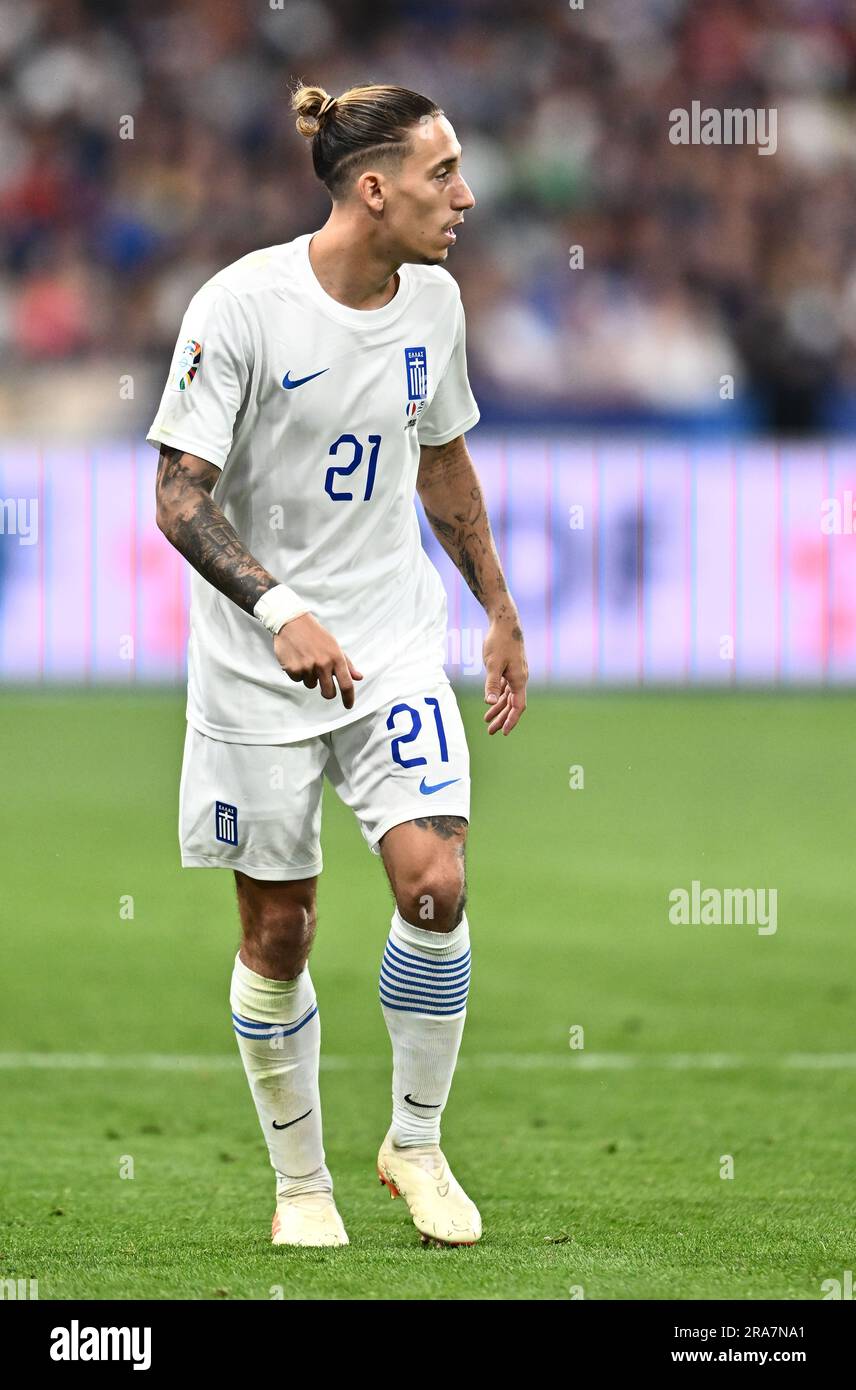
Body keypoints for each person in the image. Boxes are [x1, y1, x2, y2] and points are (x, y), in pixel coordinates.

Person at [148, 81, 528, 1248]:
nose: (464, 196)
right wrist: (279, 611)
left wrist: (498, 608)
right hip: (258, 668)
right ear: (374, 188)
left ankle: (415, 1144)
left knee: (436, 885)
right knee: (282, 934)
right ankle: (301, 1184)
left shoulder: (435, 303)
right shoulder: (242, 307)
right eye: (442, 173)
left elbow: (440, 460)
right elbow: (177, 496)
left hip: (394, 643)